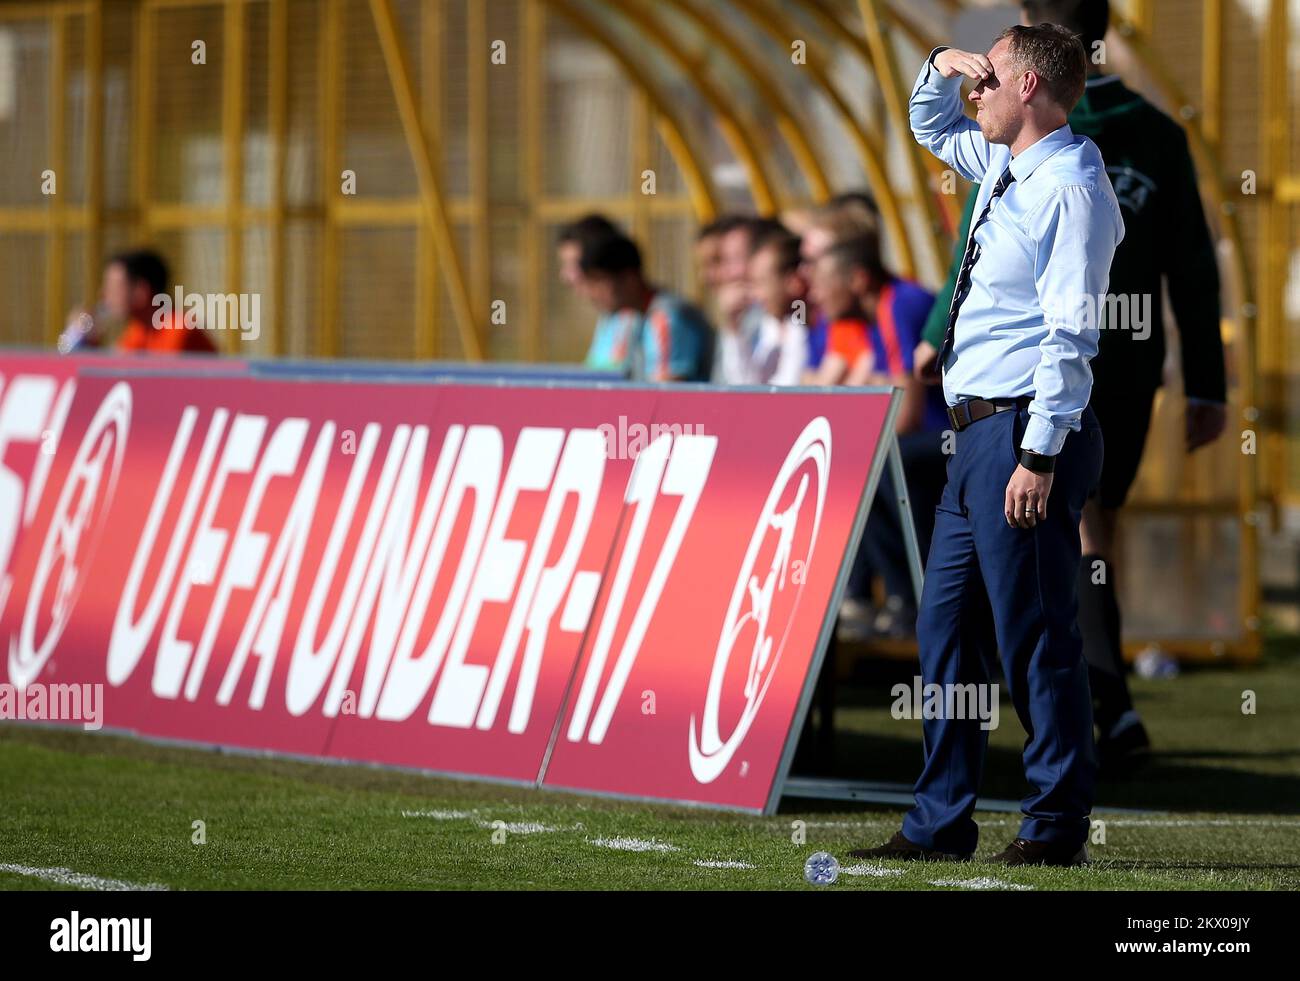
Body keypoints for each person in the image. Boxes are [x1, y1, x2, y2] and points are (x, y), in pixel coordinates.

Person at [852, 25, 1123, 866]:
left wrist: (1039, 455)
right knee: (947, 638)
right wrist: (941, 65)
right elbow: (930, 126)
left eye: (991, 77)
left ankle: (1054, 825)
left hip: (1022, 430)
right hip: (974, 432)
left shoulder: (1071, 184)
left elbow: (1073, 334)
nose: (977, 91)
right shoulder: (1006, 160)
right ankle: (941, 820)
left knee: (1036, 638)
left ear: (1031, 84)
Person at [1017, 0, 1228, 771]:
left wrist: (939, 333)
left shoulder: (1030, 122)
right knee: (1089, 524)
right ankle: (1108, 705)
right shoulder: (1159, 132)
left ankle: (1090, 708)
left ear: (1025, 26)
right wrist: (1206, 384)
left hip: (1038, 359)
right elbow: (1195, 270)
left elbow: (976, 243)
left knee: (1076, 525)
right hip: (1128, 362)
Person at [579, 231, 714, 382]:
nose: (591, 293)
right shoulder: (633, 315)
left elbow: (666, 395)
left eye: (598, 281)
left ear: (629, 279)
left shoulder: (666, 318)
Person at [60, 250, 217, 354]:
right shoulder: (139, 329)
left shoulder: (179, 328)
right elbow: (117, 369)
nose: (103, 295)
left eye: (113, 288)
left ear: (141, 292)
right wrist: (87, 342)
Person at [745, 227, 808, 386]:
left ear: (792, 281)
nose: (756, 295)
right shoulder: (767, 324)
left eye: (762, 283)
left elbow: (791, 384)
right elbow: (747, 386)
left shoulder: (807, 319)